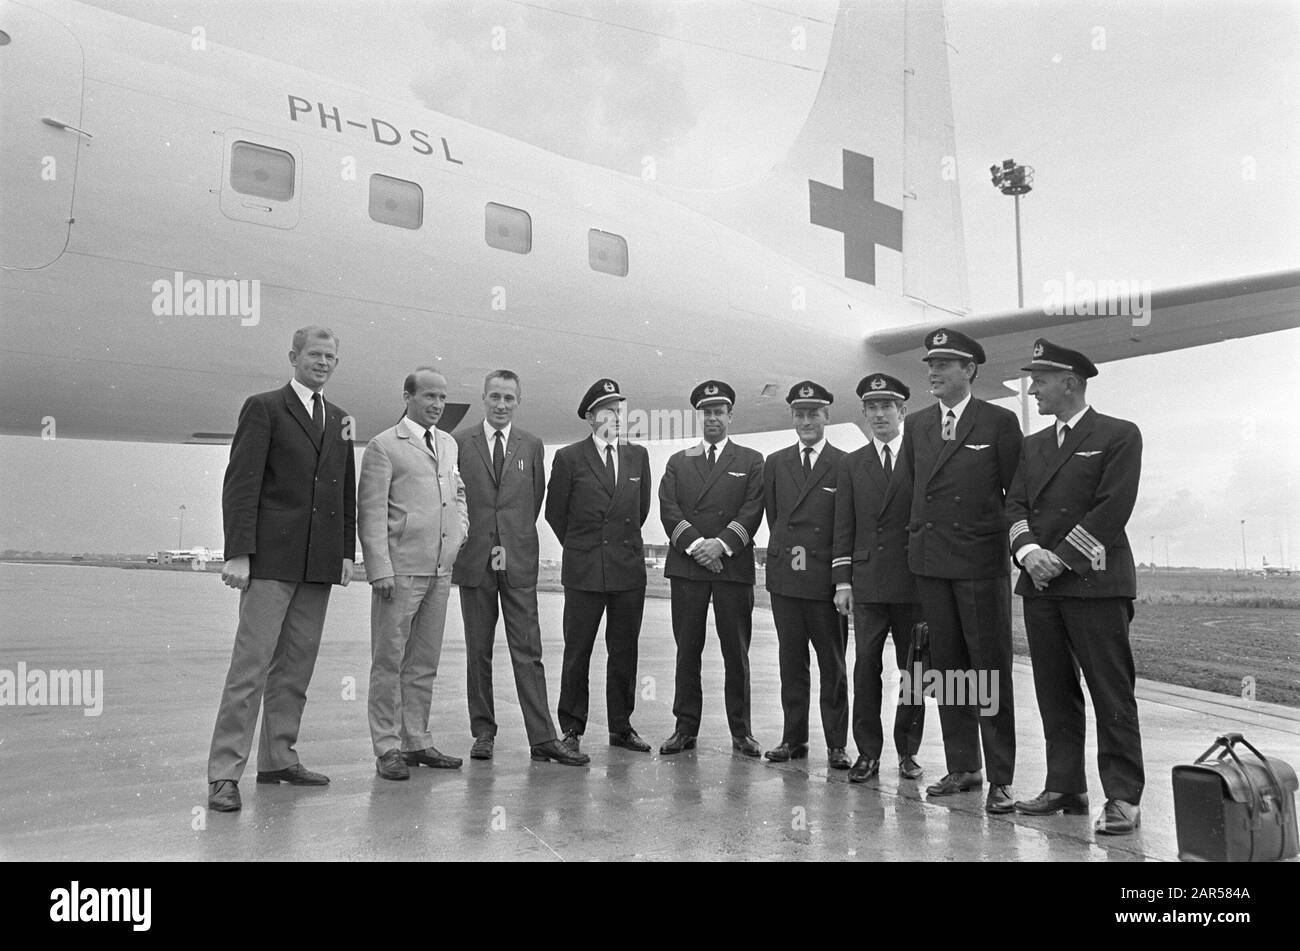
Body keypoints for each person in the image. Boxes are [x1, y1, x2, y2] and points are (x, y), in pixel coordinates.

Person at [207, 326, 356, 813]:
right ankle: (225, 774)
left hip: (316, 564)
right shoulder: (264, 407)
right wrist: (238, 552)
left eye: (329, 356)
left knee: (295, 670)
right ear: (293, 356)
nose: (322, 362)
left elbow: (343, 492)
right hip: (271, 559)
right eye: (314, 354)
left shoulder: (339, 419)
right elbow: (242, 483)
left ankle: (278, 759)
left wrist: (345, 553)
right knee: (249, 670)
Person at [1006, 339, 1145, 835]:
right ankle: (1065, 786)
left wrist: (1058, 559)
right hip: (1041, 587)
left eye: (1040, 380)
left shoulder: (1118, 435)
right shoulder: (1033, 444)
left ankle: (1123, 796)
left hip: (1095, 584)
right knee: (1054, 691)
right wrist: (1028, 554)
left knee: (1111, 691)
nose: (1033, 389)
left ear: (1070, 383)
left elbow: (1111, 509)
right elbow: (1015, 506)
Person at [901, 328, 1022, 814]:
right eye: (931, 364)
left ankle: (1001, 777)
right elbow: (913, 488)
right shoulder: (918, 424)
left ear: (970, 370)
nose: (933, 371)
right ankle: (964, 765)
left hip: (979, 566)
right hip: (932, 565)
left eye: (945, 364)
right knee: (946, 670)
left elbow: (1017, 496)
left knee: (988, 670)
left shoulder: (998, 422)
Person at [454, 370, 587, 766]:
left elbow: (534, 500)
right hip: (476, 559)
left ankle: (542, 736)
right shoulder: (460, 442)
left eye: (509, 398)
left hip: (518, 559)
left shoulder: (532, 445)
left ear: (518, 402)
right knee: (478, 650)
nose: (501, 404)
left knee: (528, 649)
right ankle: (483, 731)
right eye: (494, 396)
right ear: (483, 398)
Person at [358, 367, 468, 781]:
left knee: (424, 663)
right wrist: (379, 568)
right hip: (400, 573)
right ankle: (387, 746)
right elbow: (370, 513)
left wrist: (459, 534)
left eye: (442, 397)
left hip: (440, 570)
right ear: (407, 396)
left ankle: (417, 740)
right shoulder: (384, 446)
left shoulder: (448, 444)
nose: (437, 405)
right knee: (389, 662)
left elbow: (458, 494)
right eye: (429, 397)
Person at [545, 378, 653, 754]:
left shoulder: (637, 456)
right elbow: (556, 514)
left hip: (626, 571)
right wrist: (583, 549)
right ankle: (572, 728)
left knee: (624, 651)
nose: (615, 416)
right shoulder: (569, 458)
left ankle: (621, 727)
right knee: (578, 651)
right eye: (606, 410)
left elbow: (639, 512)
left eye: (618, 410)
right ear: (590, 417)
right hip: (585, 570)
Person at [658, 380, 765, 757]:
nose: (713, 418)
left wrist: (720, 545)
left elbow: (752, 510)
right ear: (698, 417)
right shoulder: (679, 461)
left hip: (731, 569)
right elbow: (668, 509)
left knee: (736, 653)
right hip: (688, 570)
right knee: (687, 651)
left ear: (730, 415)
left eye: (720, 412)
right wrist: (696, 547)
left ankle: (742, 731)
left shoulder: (751, 460)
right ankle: (684, 728)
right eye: (707, 412)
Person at [832, 373, 926, 783]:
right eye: (871, 407)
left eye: (887, 406)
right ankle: (867, 753)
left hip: (913, 581)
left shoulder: (920, 456)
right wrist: (843, 582)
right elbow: (843, 526)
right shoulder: (852, 464)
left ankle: (908, 752)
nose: (879, 414)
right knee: (865, 667)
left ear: (902, 411)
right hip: (868, 583)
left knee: (915, 671)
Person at [762, 381, 849, 770]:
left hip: (824, 583)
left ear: (826, 416)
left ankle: (836, 745)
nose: (806, 421)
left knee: (831, 665)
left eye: (813, 414)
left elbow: (845, 525)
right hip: (786, 582)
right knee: (791, 663)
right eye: (800, 414)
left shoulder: (844, 462)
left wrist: (841, 580)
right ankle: (793, 739)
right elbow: (775, 516)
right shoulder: (776, 462)